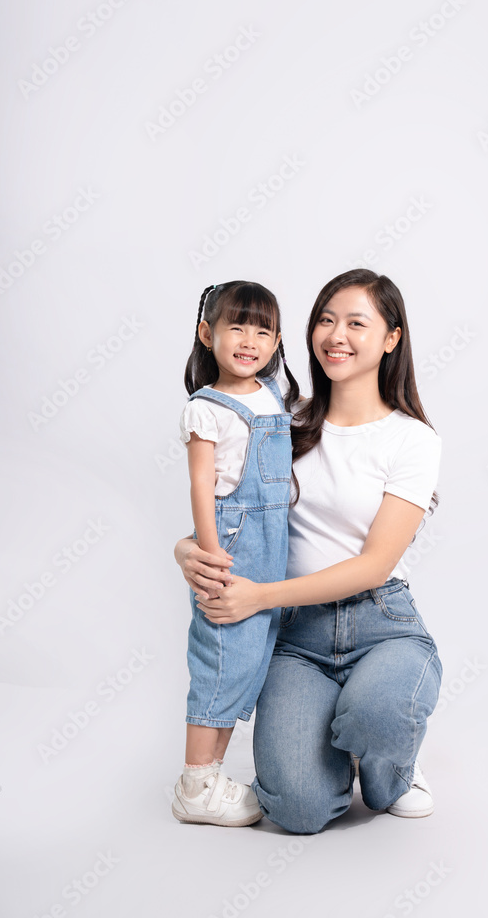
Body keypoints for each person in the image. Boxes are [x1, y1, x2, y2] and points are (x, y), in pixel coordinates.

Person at [175, 269, 443, 834]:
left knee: (379, 714)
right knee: (294, 811)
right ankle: (340, 743)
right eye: (325, 320)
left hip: (381, 621)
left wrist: (259, 597)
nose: (335, 335)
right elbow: (233, 507)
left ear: (392, 338)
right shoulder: (279, 417)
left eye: (355, 323)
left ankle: (389, 769)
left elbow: (374, 564)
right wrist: (187, 549)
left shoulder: (412, 439)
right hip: (296, 637)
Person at [171, 281, 299, 828]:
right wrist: (209, 552)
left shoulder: (271, 393)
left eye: (263, 330)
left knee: (248, 657)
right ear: (208, 334)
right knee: (221, 656)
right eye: (236, 327)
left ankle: (212, 775)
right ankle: (195, 783)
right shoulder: (207, 407)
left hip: (273, 546)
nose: (249, 340)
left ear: (275, 343)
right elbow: (202, 486)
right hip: (236, 540)